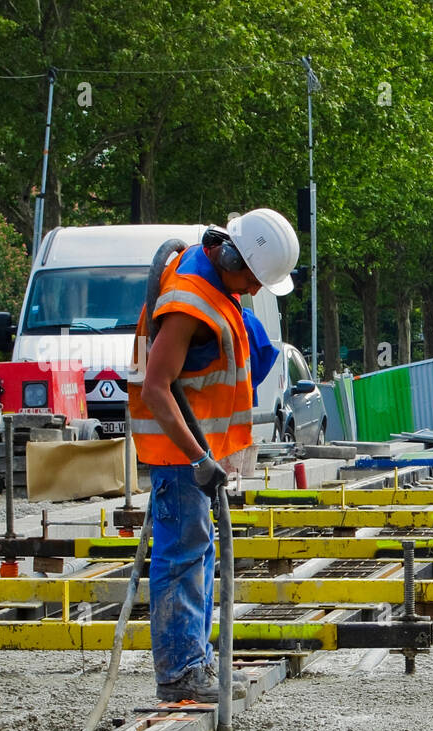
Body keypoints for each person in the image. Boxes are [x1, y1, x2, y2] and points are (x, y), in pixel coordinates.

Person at [127, 209, 299, 703]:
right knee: (181, 558)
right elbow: (156, 388)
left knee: (198, 554)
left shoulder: (214, 278)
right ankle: (180, 673)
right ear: (231, 259)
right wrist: (197, 458)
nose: (254, 290)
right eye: (253, 280)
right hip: (181, 454)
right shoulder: (187, 303)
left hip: (199, 451)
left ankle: (197, 663)